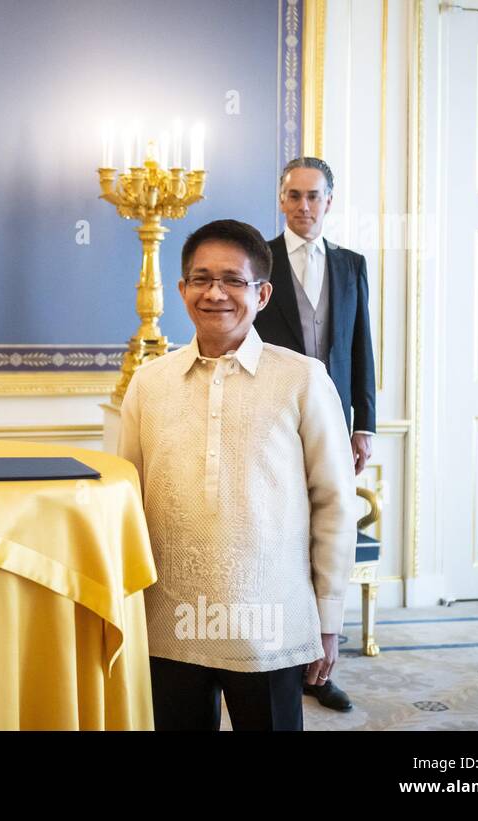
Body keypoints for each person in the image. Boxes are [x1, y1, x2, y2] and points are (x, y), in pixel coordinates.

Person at [119, 219, 357, 731]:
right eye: (201, 279)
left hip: (271, 618)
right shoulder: (149, 383)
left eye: (232, 280)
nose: (215, 293)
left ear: (263, 293)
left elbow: (334, 502)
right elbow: (127, 501)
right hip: (170, 619)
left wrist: (330, 620)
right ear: (182, 289)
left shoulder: (302, 379)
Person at [252, 156, 375, 712]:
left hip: (332, 423)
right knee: (280, 532)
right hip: (272, 419)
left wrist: (364, 423)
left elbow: (360, 347)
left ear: (330, 201)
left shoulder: (352, 265)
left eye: (314, 196)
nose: (304, 206)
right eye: (294, 195)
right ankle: (271, 654)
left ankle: (319, 672)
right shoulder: (259, 261)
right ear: (281, 200)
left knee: (329, 533)